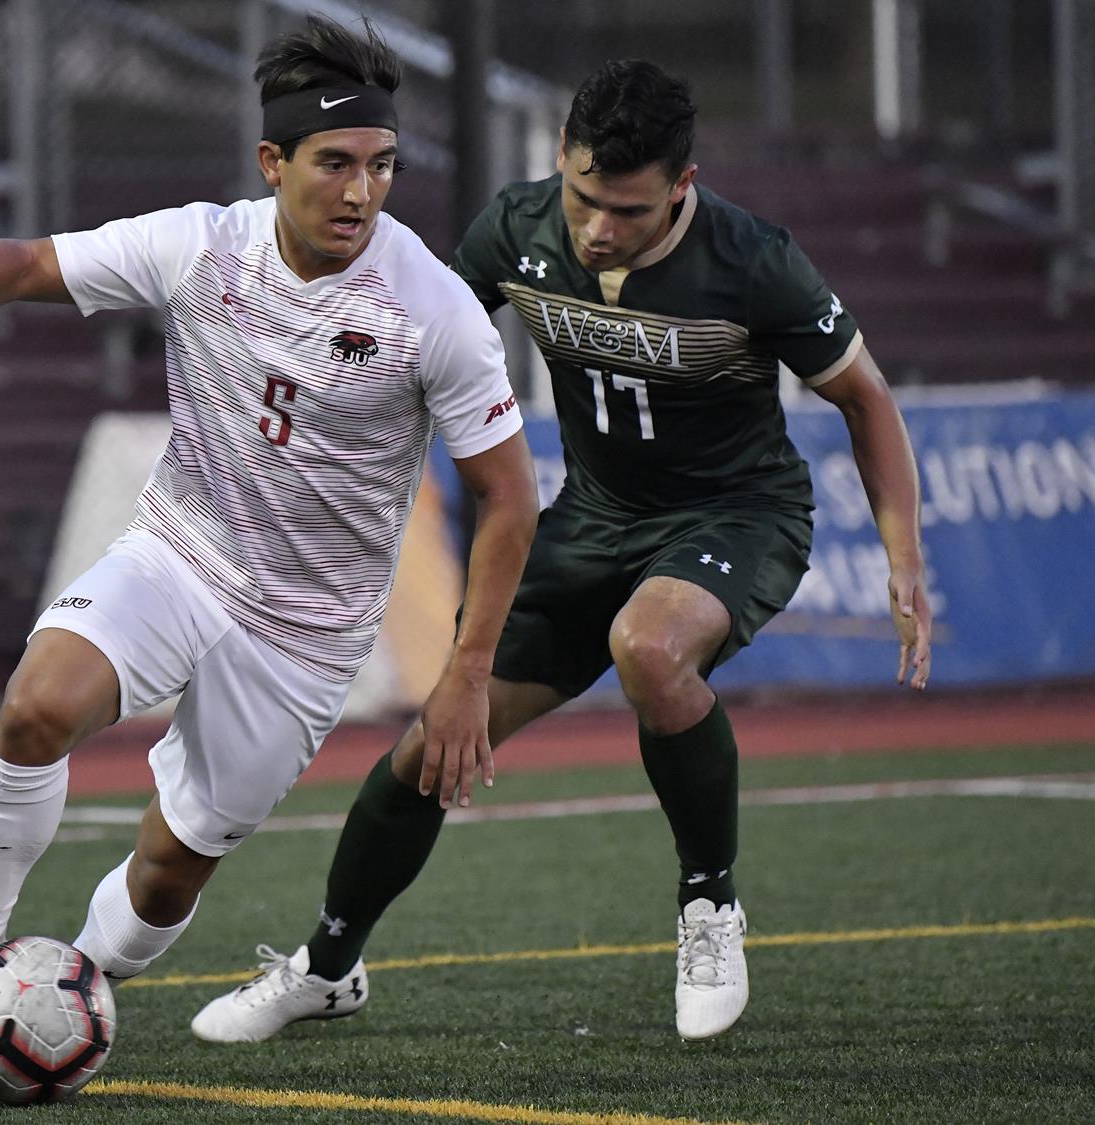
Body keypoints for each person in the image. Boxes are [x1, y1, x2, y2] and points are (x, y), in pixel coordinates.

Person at [190, 59, 933, 1045]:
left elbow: (864, 397)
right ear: (560, 159)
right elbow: (414, 340)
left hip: (733, 515)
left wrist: (902, 554)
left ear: (682, 184)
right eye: (583, 198)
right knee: (431, 745)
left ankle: (709, 905)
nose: (596, 229)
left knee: (649, 649)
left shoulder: (754, 261)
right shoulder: (516, 228)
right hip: (590, 520)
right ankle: (326, 971)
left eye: (626, 211)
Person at [0, 14, 537, 1049]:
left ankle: (67, 985)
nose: (361, 190)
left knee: (169, 867)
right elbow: (22, 262)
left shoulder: (432, 309)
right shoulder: (200, 245)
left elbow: (509, 496)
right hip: (180, 552)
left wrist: (467, 671)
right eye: (335, 163)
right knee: (36, 706)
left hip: (306, 631)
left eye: (381, 164)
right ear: (272, 162)